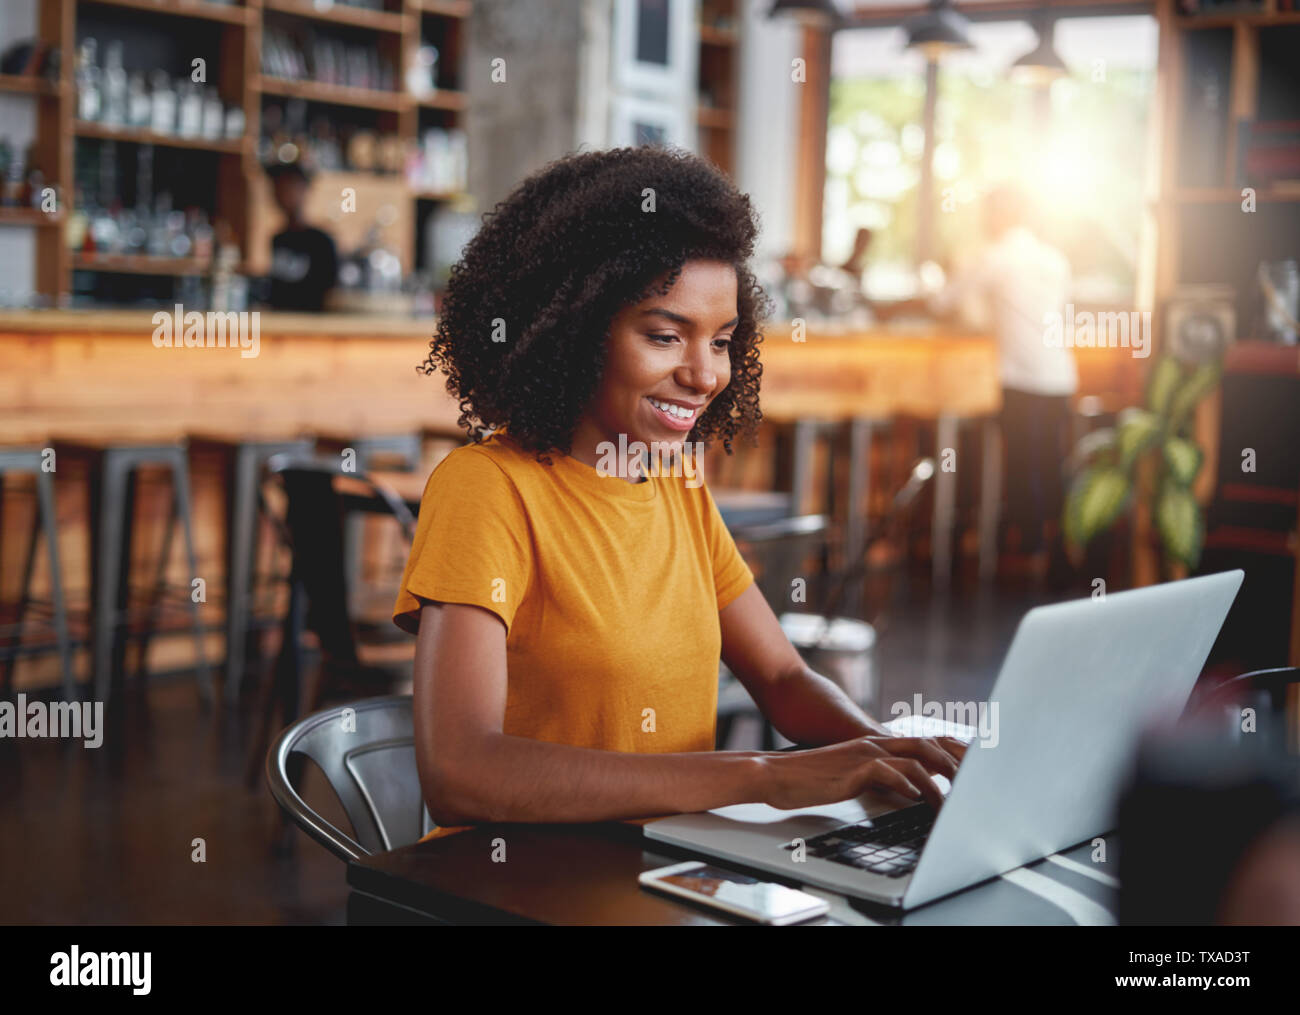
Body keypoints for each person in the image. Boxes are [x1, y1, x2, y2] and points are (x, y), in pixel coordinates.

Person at [393, 147, 966, 833]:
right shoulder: (487, 490)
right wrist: (766, 776)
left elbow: (783, 680)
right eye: (666, 336)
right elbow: (461, 771)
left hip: (666, 875)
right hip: (520, 888)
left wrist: (886, 751)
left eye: (722, 341)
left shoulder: (673, 484)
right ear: (574, 332)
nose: (704, 375)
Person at [928, 184, 1077, 569]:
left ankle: (1026, 552)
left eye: (987, 212)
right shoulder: (1054, 259)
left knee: (1023, 467)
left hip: (1022, 378)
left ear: (998, 216)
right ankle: (1056, 555)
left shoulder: (995, 257)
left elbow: (943, 302)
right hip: (1060, 376)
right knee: (1049, 463)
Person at [265, 160, 337, 312]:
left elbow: (332, 295)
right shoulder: (277, 239)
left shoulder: (321, 242)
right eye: (277, 187)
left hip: (310, 327)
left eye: (288, 186)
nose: (281, 193)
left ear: (304, 190)